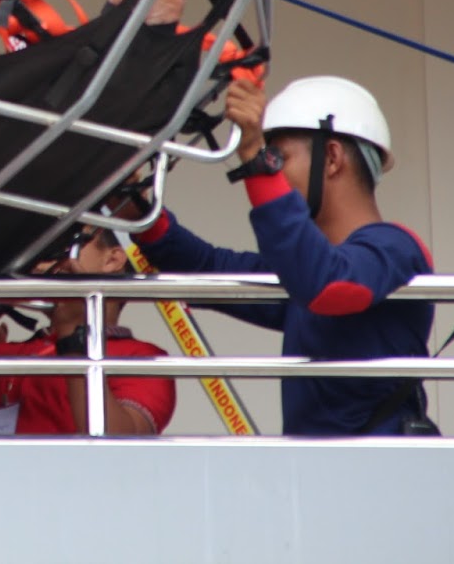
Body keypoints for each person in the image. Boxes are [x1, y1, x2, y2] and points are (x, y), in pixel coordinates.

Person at [131, 68, 435, 436]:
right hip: (321, 475)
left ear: (334, 157)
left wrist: (255, 160)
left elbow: (328, 286)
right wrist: (132, 204)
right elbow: (205, 265)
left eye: (279, 158)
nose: (272, 171)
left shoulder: (396, 246)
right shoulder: (306, 271)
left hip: (384, 476)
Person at [0, 226, 176, 436]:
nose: (48, 257)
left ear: (112, 260)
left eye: (70, 241)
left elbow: (118, 448)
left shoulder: (143, 358)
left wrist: (74, 334)